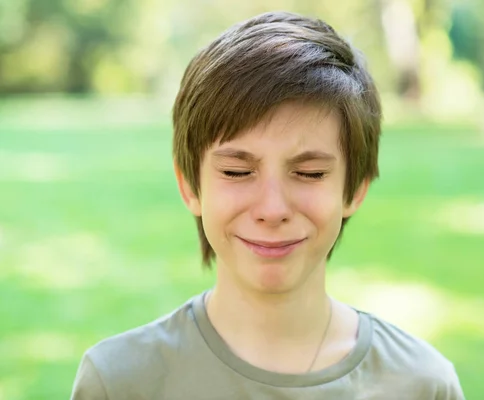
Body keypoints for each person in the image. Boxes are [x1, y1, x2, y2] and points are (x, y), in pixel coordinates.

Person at [70, 11, 464, 399]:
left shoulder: (422, 384)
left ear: (354, 189)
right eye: (237, 172)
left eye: (309, 173)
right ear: (190, 186)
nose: (272, 209)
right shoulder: (119, 382)